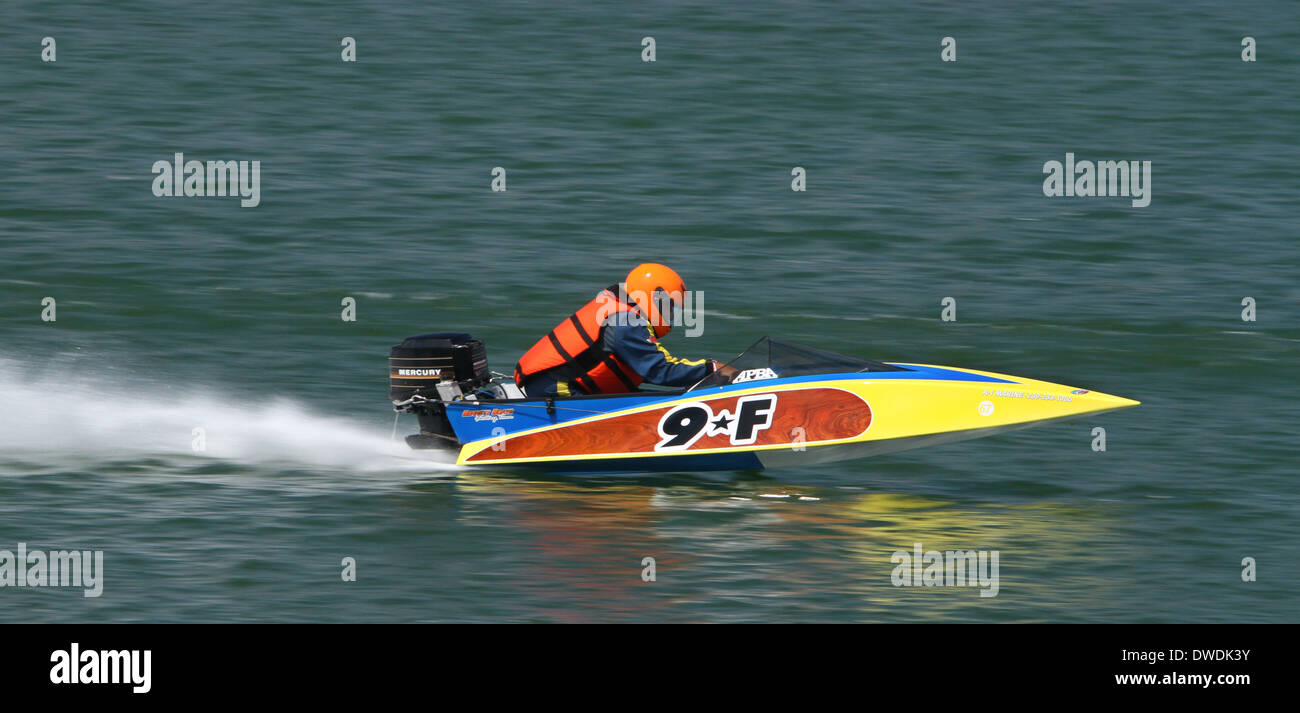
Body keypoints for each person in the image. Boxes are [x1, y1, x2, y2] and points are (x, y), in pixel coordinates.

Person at [514, 263, 731, 396]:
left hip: (560, 386)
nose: (671, 316)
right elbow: (660, 371)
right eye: (670, 307)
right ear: (654, 298)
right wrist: (713, 369)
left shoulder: (623, 313)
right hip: (558, 390)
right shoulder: (626, 322)